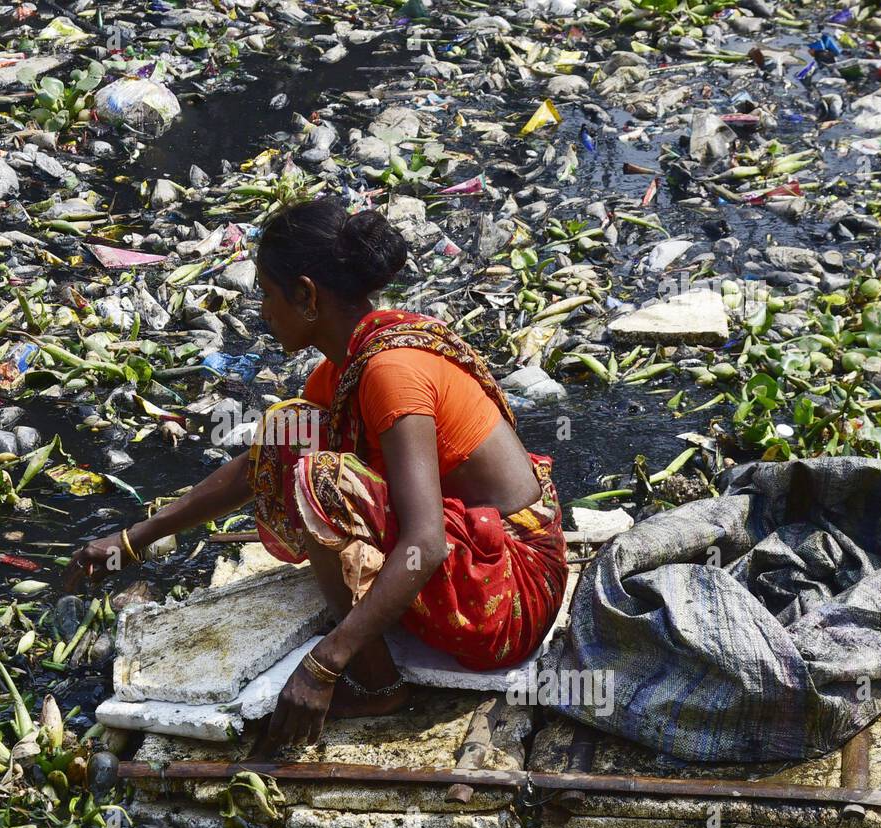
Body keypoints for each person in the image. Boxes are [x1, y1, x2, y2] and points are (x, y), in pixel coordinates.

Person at [68, 198, 568, 753]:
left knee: (319, 480)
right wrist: (135, 539)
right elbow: (257, 467)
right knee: (292, 435)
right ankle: (368, 644)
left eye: (265, 291)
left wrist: (324, 662)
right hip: (476, 557)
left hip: (513, 596)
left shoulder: (390, 372)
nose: (261, 309)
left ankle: (375, 683)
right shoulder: (352, 362)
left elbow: (425, 542)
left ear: (306, 295)